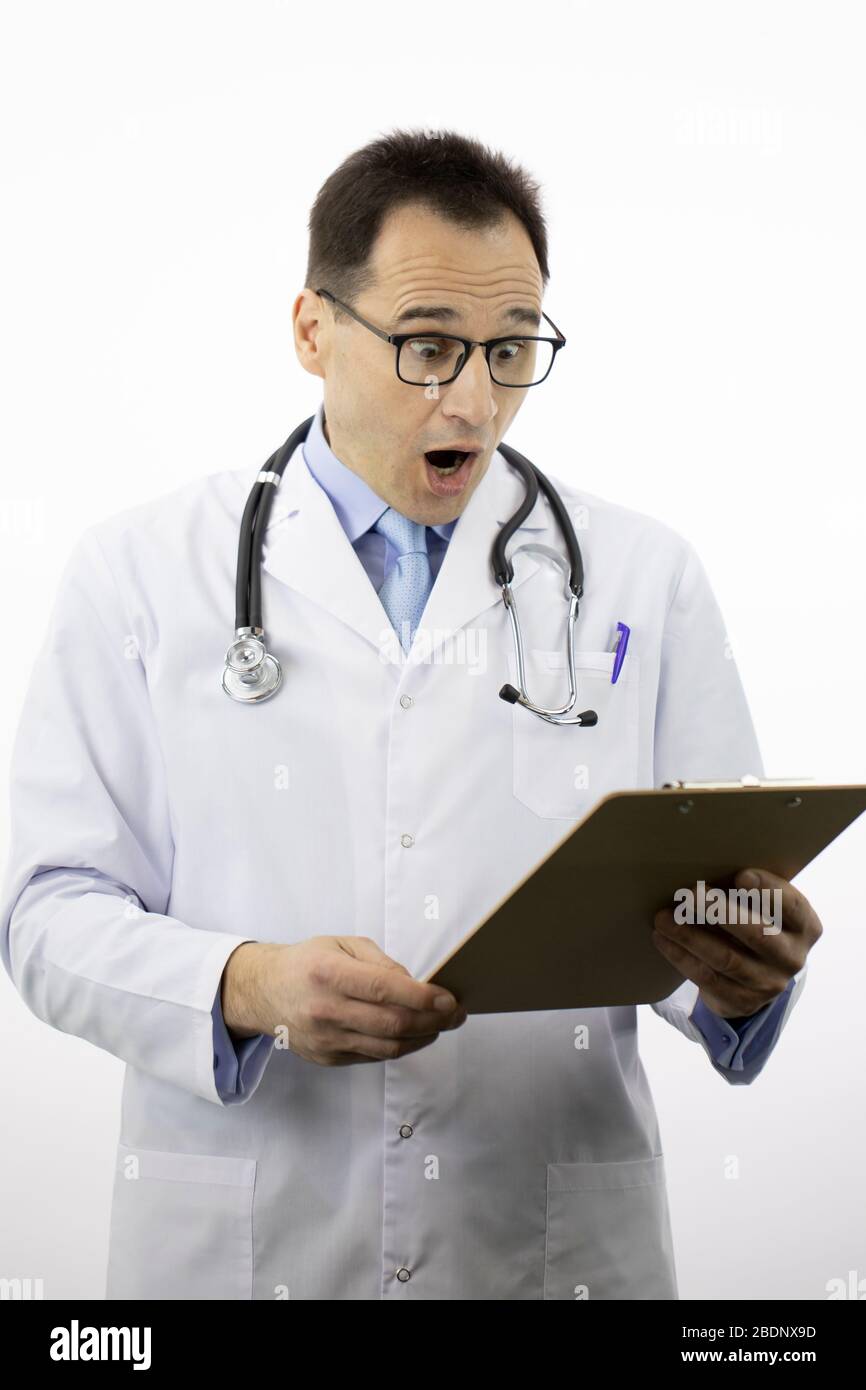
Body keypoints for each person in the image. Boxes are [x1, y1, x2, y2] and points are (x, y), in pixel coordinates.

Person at [0, 128, 821, 1301]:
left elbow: (708, 902)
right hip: (247, 1246)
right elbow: (44, 915)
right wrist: (246, 986)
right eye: (429, 348)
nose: (476, 401)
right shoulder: (138, 574)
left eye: (510, 350)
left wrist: (748, 972)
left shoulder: (644, 579)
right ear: (311, 330)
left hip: (544, 1249)